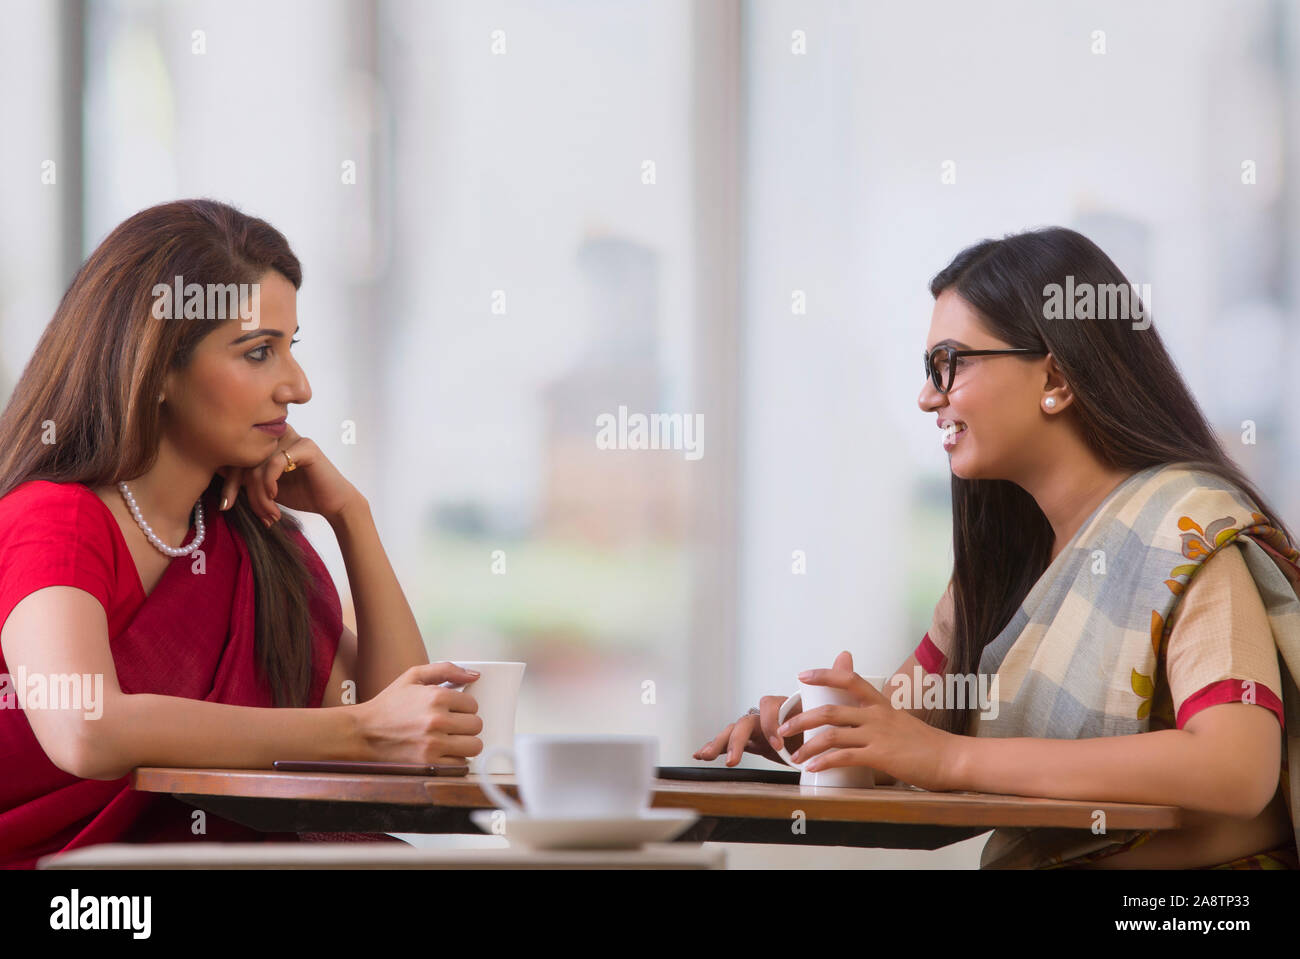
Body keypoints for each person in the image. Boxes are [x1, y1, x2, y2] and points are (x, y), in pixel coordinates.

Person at [696, 226, 1300, 869]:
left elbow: (1235, 767)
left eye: (949, 363)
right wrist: (812, 724)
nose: (928, 397)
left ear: (1057, 377)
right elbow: (909, 723)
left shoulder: (1185, 532)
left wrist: (950, 760)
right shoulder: (1005, 564)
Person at [0, 199, 483, 869]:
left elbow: (399, 736)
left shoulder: (248, 542)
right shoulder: (54, 519)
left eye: (292, 348)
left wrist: (352, 517)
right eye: (259, 352)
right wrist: (360, 731)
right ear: (157, 366)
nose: (300, 386)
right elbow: (85, 727)